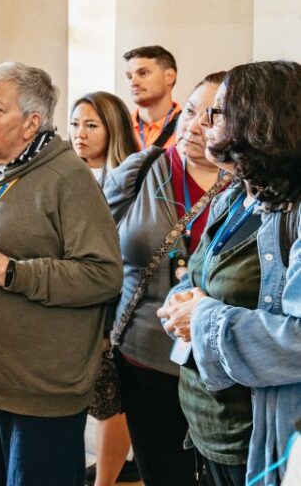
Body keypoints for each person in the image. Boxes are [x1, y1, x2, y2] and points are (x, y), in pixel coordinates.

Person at [0, 61, 123, 486]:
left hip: (41, 394)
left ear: (32, 123)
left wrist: (12, 273)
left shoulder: (67, 178)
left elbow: (103, 274)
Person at [159, 61, 301, 486]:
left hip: (261, 437)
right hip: (209, 426)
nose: (204, 122)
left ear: (258, 118)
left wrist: (200, 317)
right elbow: (200, 275)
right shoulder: (236, 193)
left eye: (217, 111)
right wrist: (183, 300)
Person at [103, 73, 230, 486]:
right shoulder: (142, 170)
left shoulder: (248, 186)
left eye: (212, 117)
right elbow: (93, 242)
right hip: (145, 359)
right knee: (162, 472)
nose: (194, 126)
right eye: (191, 111)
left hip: (218, 365)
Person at [68, 92, 141, 486]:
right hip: (70, 300)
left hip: (116, 300)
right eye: (75, 124)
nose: (80, 133)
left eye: (91, 125)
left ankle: (106, 480)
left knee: (112, 401)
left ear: (113, 128)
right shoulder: (62, 174)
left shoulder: (132, 178)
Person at [124, 45, 181, 149]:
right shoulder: (119, 127)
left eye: (143, 73)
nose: (133, 82)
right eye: (129, 77)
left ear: (169, 77)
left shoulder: (189, 129)